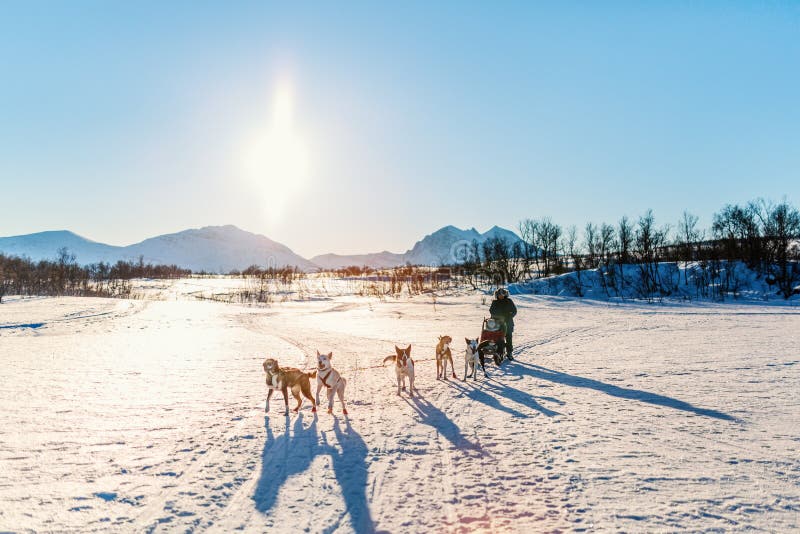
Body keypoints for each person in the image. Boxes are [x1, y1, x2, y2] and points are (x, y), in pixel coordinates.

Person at [489, 287, 517, 360]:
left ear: (505, 294)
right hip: (497, 323)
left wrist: (509, 316)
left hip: (508, 323)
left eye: (502, 294)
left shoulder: (509, 301)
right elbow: (491, 310)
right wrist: (496, 316)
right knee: (497, 337)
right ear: (497, 295)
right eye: (499, 295)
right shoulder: (495, 302)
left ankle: (509, 352)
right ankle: (498, 350)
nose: (501, 296)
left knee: (508, 337)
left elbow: (514, 310)